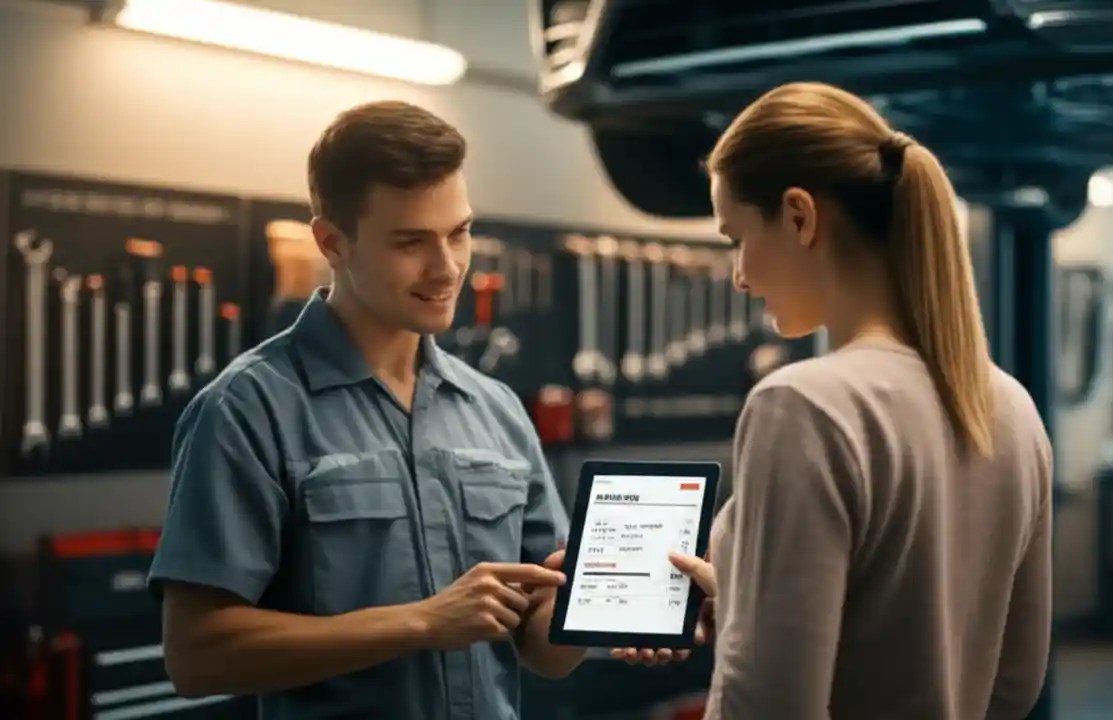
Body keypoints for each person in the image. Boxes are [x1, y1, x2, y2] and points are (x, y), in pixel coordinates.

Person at [616, 82, 1054, 720]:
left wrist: (749, 640)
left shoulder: (803, 405)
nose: (738, 274)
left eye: (736, 236)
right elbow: (1014, 684)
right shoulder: (1012, 406)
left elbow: (768, 706)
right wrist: (745, 598)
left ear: (799, 216)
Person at [148, 101, 587, 719]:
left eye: (459, 232)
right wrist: (421, 622)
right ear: (333, 242)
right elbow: (195, 656)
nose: (447, 268)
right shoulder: (247, 409)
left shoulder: (495, 408)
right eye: (411, 241)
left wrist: (606, 611)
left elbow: (545, 654)